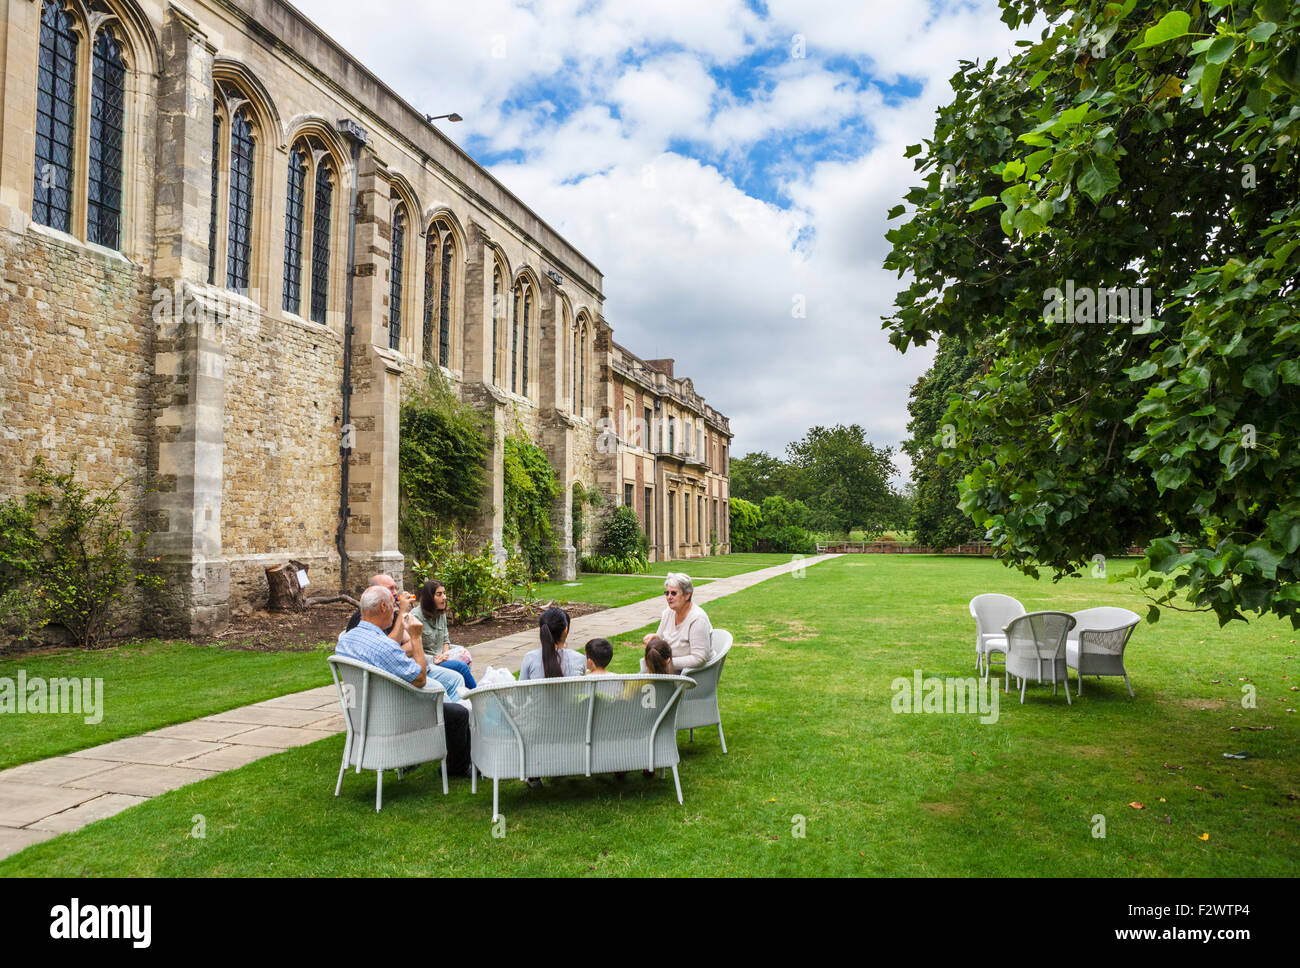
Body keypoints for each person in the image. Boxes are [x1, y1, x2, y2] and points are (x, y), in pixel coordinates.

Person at [334, 585, 471, 776]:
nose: (395, 610)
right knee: (459, 714)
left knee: (451, 686)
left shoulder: (346, 640)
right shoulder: (383, 647)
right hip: (394, 714)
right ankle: (457, 768)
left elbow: (386, 652)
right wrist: (416, 638)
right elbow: (420, 679)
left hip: (363, 710)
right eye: (393, 605)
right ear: (383, 607)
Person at [345, 573, 466, 701]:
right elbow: (386, 649)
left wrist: (395, 652)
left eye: (395, 588)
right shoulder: (360, 621)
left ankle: (472, 705)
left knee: (456, 678)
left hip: (407, 668)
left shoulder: (392, 618)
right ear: (376, 593)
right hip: (397, 682)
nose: (396, 592)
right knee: (451, 698)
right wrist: (410, 640)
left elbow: (402, 646)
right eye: (390, 589)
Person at [410, 579, 477, 690]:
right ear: (429, 598)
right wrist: (435, 658)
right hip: (428, 663)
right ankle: (478, 694)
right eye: (439, 594)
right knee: (461, 667)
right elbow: (412, 649)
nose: (444, 597)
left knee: (465, 656)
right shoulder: (415, 617)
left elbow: (446, 639)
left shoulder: (441, 613)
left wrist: (445, 655)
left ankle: (464, 695)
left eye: (444, 593)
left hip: (441, 657)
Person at [642, 572, 713, 672]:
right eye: (667, 593)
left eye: (673, 593)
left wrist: (666, 663)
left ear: (687, 595)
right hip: (668, 668)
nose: (669, 597)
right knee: (641, 677)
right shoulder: (669, 612)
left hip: (690, 674)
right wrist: (656, 638)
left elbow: (699, 658)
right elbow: (661, 641)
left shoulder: (698, 619)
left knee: (645, 682)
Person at [519, 607, 586, 680]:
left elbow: (521, 689)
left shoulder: (530, 658)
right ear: (565, 630)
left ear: (542, 630)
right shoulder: (579, 659)